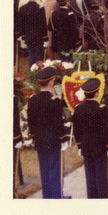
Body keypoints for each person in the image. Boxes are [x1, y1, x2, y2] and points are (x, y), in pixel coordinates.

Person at [27, 66, 68, 199]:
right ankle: (56, 198)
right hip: (53, 140)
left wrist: (34, 136)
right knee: (55, 170)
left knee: (44, 170)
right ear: (50, 82)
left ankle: (47, 196)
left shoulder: (32, 100)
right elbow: (58, 122)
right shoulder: (54, 100)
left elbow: (31, 122)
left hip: (40, 140)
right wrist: (63, 138)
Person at [72, 78, 108, 198]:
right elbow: (106, 130)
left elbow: (77, 130)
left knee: (90, 175)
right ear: (96, 93)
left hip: (85, 146)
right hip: (100, 147)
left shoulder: (78, 109)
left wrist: (79, 145)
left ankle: (92, 198)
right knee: (101, 175)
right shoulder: (101, 108)